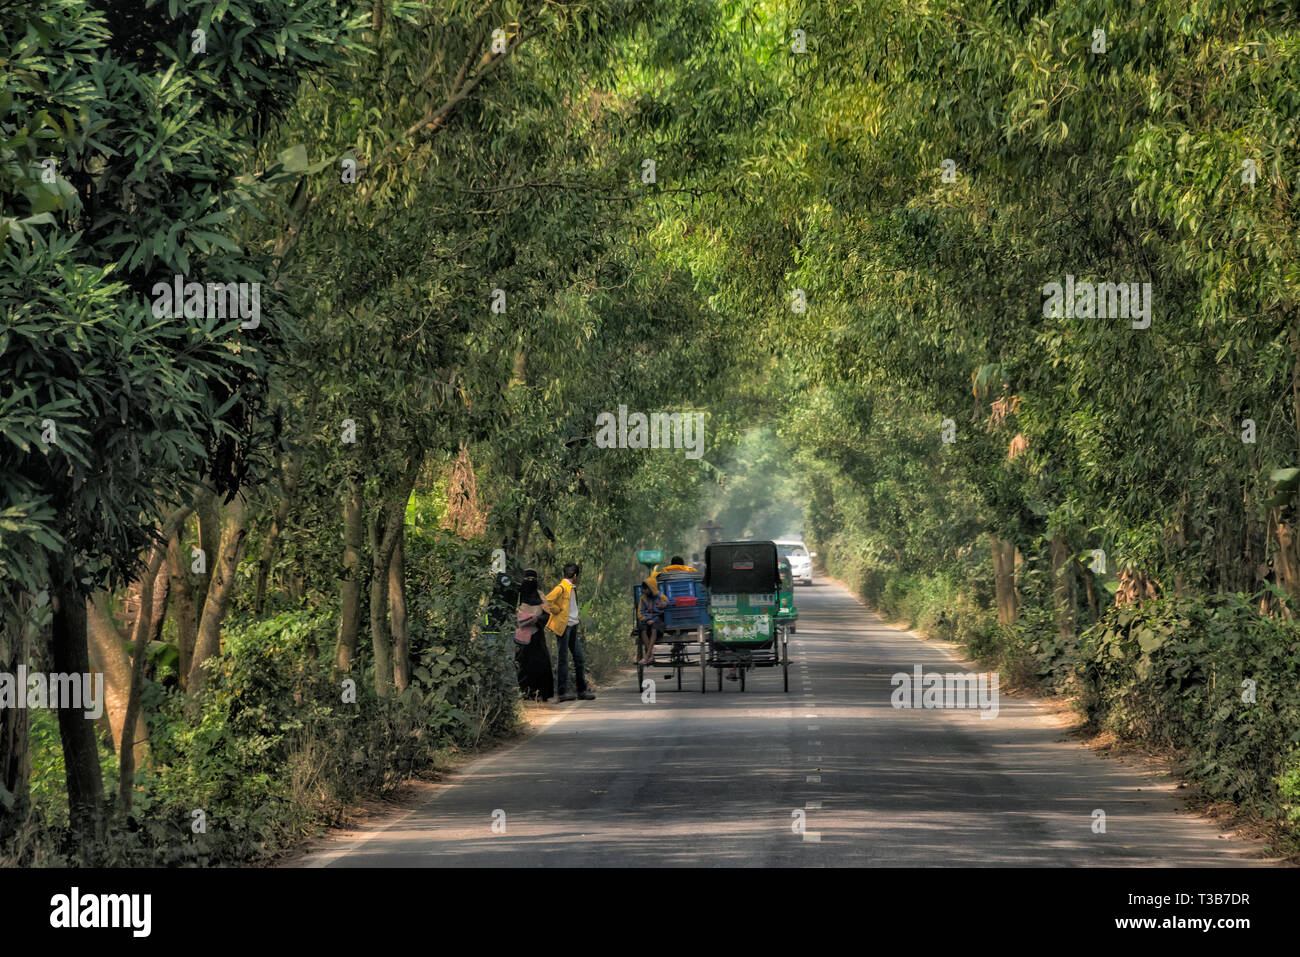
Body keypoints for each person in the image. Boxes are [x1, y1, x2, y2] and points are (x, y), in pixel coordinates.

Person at [546, 562, 595, 702]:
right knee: (563, 659)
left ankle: (582, 690)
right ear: (575, 575)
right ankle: (562, 692)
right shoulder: (561, 587)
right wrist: (558, 610)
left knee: (579, 658)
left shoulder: (571, 588)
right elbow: (548, 600)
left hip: (573, 625)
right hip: (564, 626)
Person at [515, 569, 554, 701]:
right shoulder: (517, 594)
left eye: (533, 579)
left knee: (541, 663)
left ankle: (541, 694)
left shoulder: (540, 595)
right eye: (527, 579)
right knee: (521, 663)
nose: (530, 582)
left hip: (536, 635)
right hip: (519, 635)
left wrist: (537, 620)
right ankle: (523, 694)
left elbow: (547, 614)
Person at [636, 577, 666, 666]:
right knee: (642, 629)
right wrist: (647, 619)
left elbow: (666, 601)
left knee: (654, 627)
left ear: (651, 588)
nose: (644, 591)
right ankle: (651, 655)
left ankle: (647, 656)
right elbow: (639, 613)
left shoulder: (660, 596)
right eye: (643, 589)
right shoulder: (643, 598)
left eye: (646, 589)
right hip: (647, 620)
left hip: (658, 620)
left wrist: (663, 604)